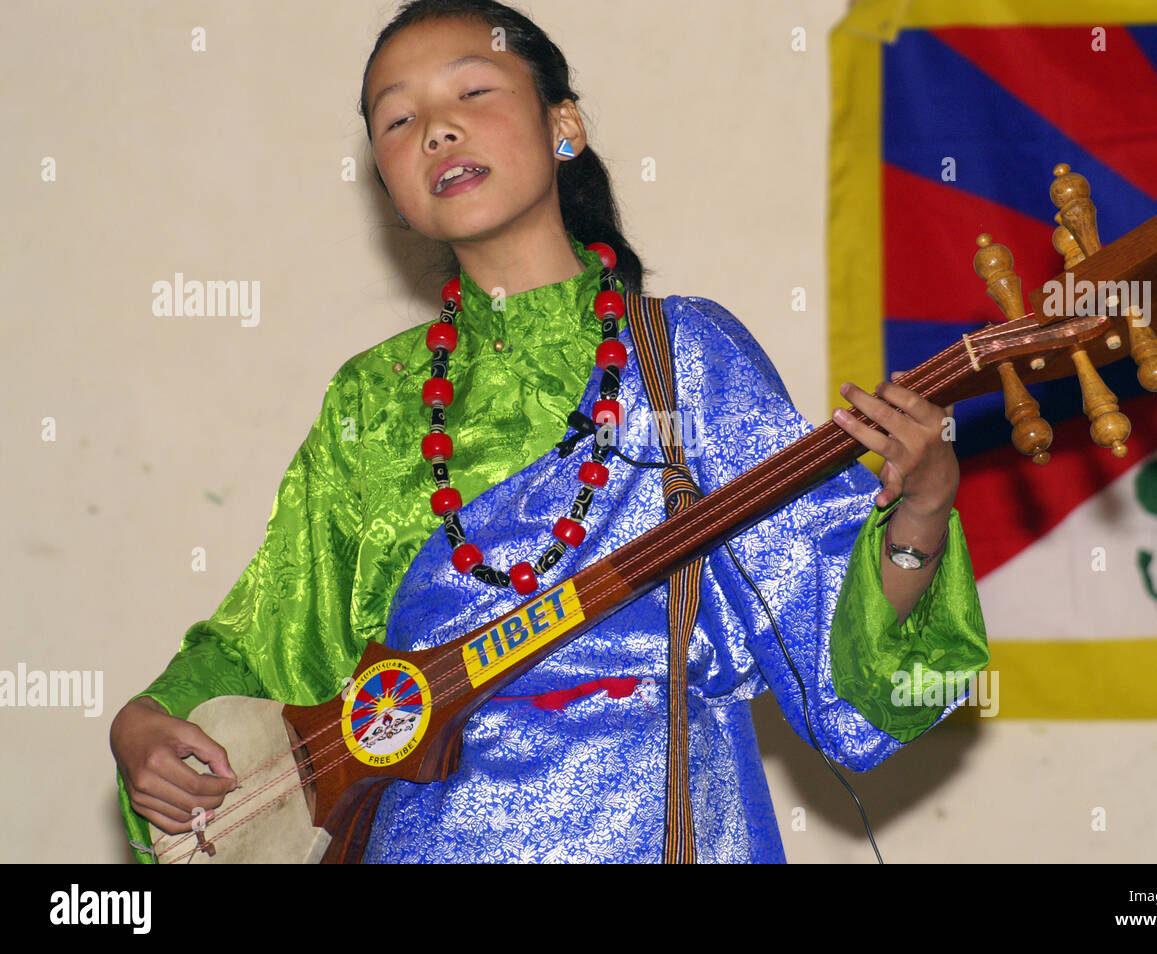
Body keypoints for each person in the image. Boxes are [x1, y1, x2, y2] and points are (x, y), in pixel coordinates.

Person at [109, 0, 989, 863]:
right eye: (399, 119)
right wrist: (146, 722)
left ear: (563, 124)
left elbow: (841, 665)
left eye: (474, 94)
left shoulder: (687, 356)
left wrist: (919, 514)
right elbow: (269, 643)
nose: (438, 132)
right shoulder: (374, 401)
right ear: (394, 196)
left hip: (666, 831)